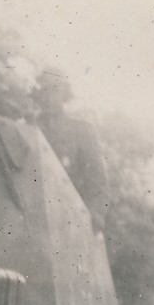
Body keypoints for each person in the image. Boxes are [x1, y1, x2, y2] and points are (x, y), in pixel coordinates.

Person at [32, 68, 110, 232]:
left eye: (55, 90)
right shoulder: (28, 129)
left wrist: (94, 216)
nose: (48, 96)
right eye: (44, 90)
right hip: (33, 220)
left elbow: (98, 182)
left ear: (64, 93)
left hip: (71, 221)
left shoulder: (82, 131)